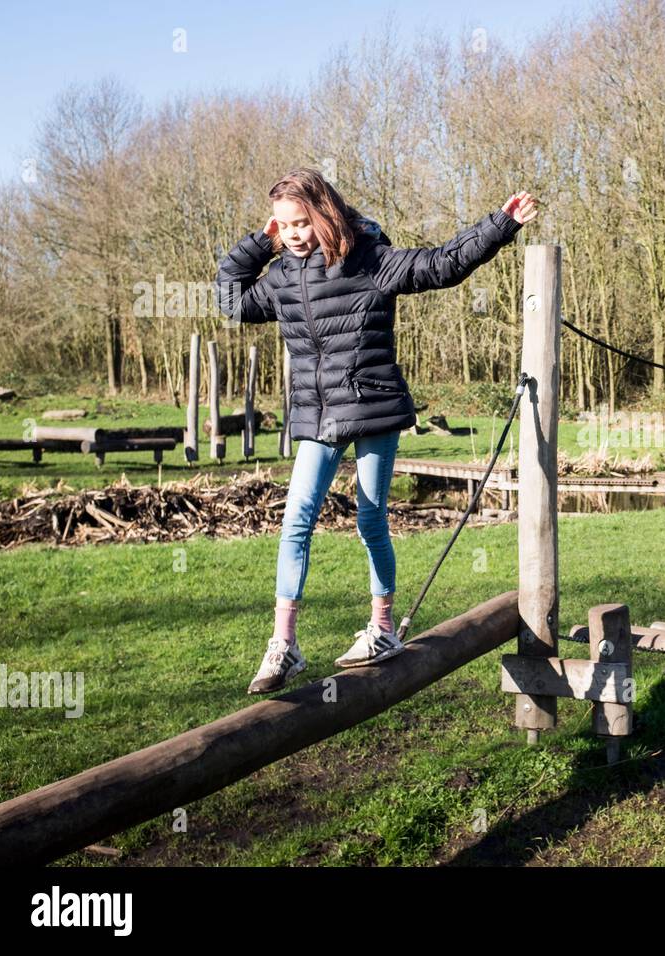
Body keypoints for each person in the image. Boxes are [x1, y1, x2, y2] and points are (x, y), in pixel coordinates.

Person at [215, 167, 537, 694]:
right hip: (317, 416)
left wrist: (499, 225)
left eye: (301, 223)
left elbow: (442, 264)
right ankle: (285, 645)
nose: (294, 234)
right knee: (296, 519)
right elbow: (231, 301)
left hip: (373, 406)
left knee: (370, 518)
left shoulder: (369, 260)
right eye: (283, 225)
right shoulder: (280, 276)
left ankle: (382, 630)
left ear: (322, 213)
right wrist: (258, 244)